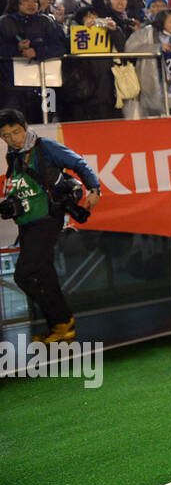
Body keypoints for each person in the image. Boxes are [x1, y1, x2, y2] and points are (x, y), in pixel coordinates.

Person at [0, 108, 101, 343]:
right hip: (27, 222)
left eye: (16, 132)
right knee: (44, 274)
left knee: (23, 275)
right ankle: (62, 326)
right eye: (5, 135)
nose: (13, 139)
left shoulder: (45, 147)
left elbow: (80, 164)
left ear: (25, 127)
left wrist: (94, 189)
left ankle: (61, 320)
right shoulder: (12, 156)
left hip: (47, 219)